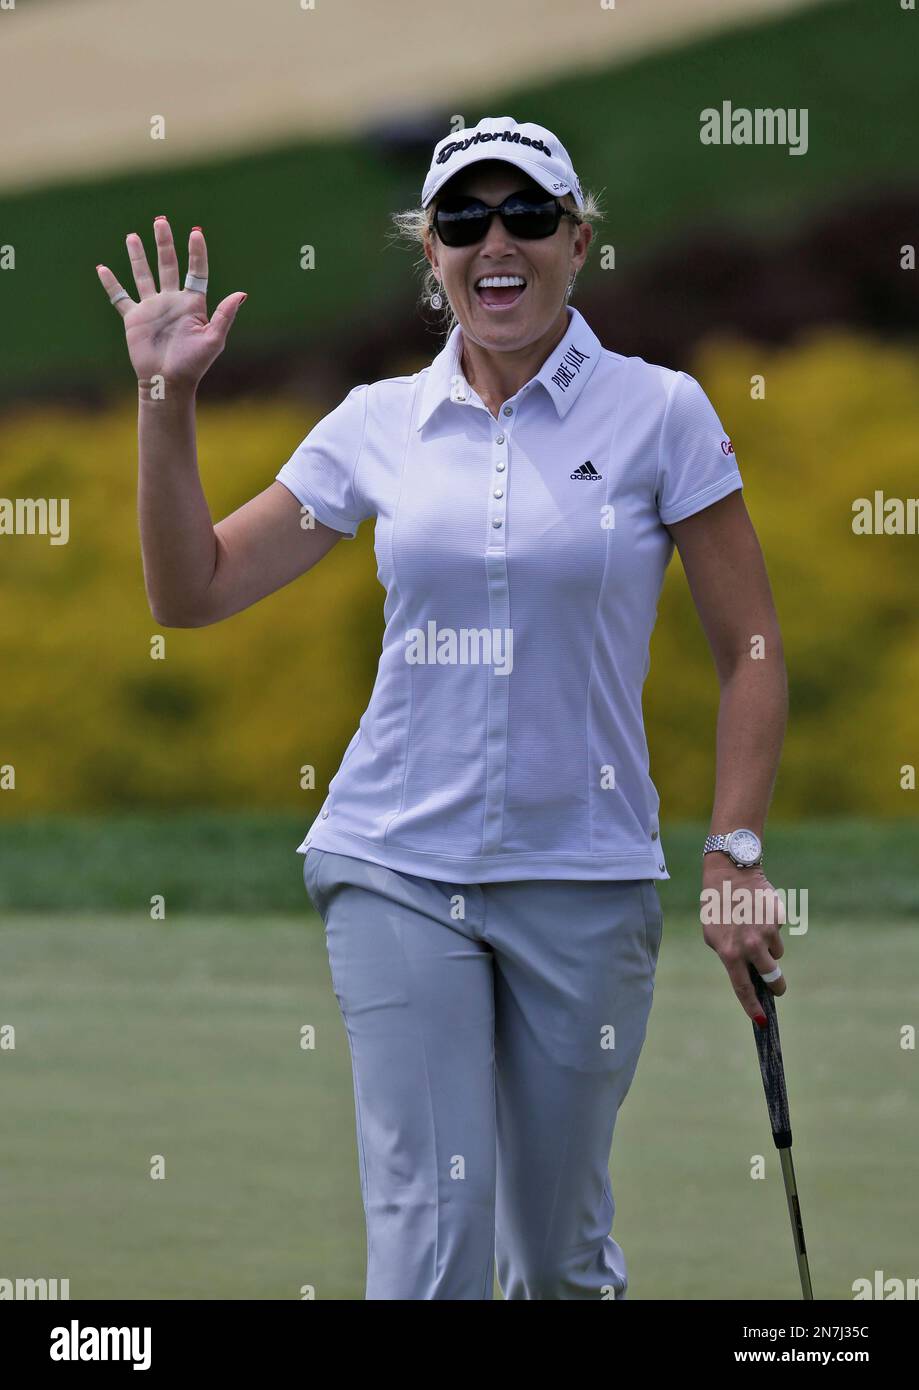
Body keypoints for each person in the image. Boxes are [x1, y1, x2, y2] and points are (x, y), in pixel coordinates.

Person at [96, 115, 789, 1301]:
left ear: (577, 240)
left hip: (584, 870)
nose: (494, 240)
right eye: (462, 221)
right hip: (395, 860)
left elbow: (753, 649)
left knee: (557, 1257)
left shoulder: (660, 413)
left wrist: (733, 846)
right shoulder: (378, 423)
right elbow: (193, 589)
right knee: (432, 1232)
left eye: (526, 215)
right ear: (433, 255)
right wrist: (167, 403)